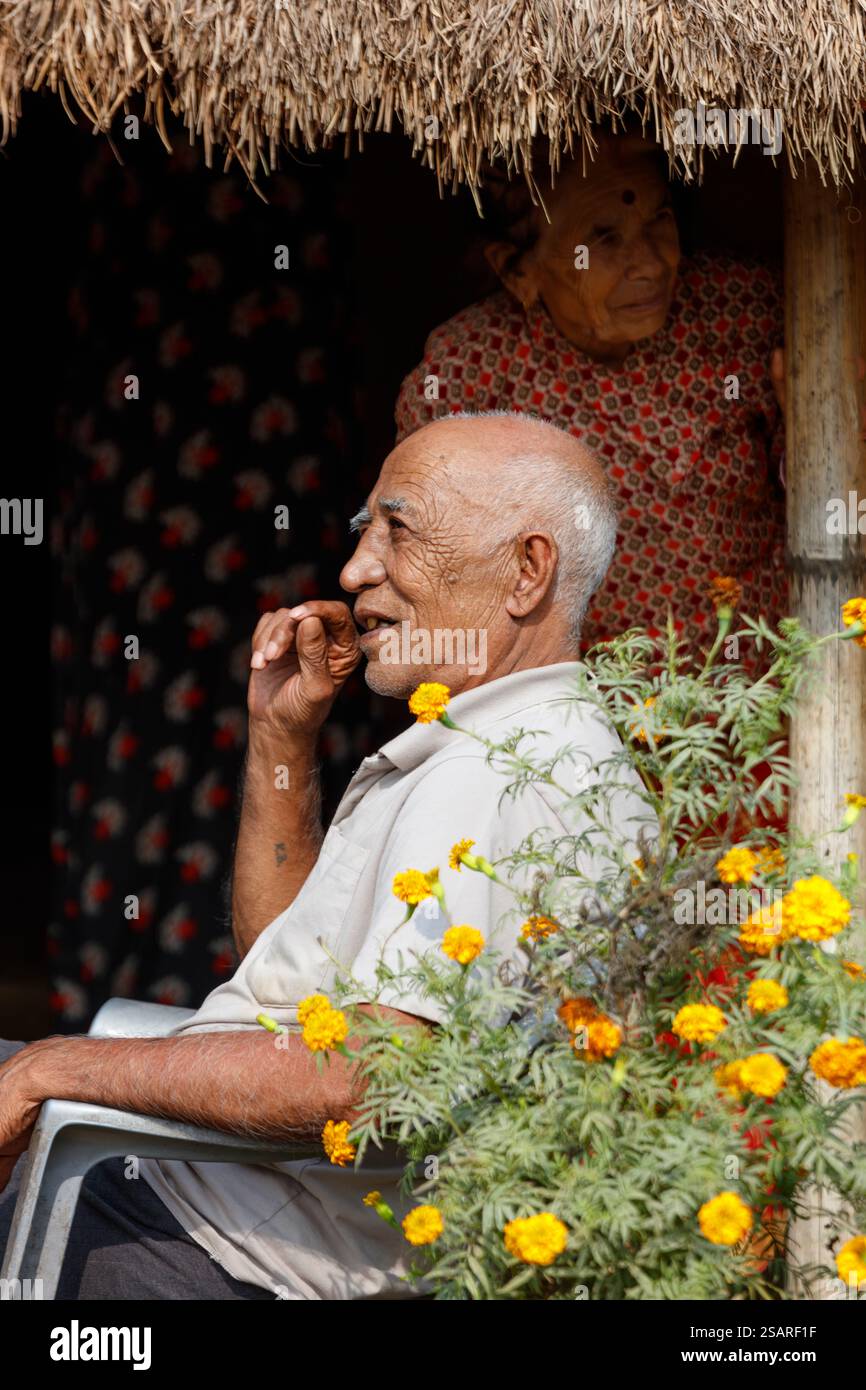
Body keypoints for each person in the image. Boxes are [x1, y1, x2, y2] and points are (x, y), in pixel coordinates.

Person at [0, 412, 650, 1300]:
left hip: (206, 1247)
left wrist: (52, 1066)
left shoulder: (496, 777)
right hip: (209, 1196)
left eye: (399, 529)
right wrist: (283, 734)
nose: (354, 571)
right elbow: (286, 969)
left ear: (526, 573)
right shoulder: (493, 743)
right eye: (363, 531)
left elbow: (365, 1074)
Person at [396, 135, 788, 656]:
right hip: (578, 713)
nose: (649, 263)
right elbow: (427, 566)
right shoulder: (465, 377)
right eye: (603, 238)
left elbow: (825, 475)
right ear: (518, 272)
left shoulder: (743, 309)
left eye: (660, 219)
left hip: (764, 690)